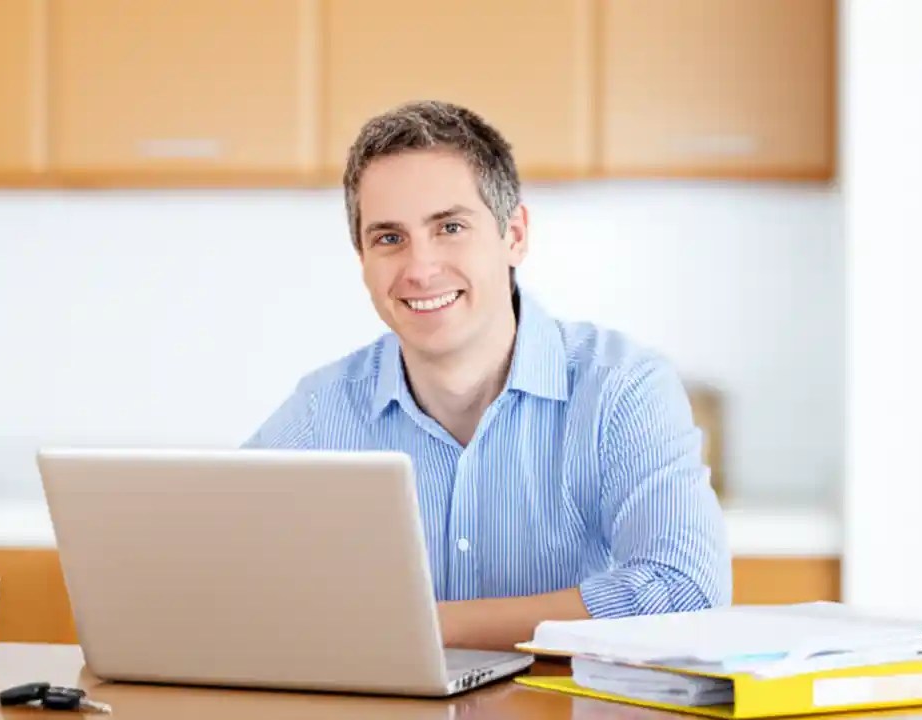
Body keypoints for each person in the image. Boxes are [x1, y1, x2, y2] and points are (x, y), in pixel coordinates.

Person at [244, 100, 731, 651]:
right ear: (362, 258)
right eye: (388, 238)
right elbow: (213, 562)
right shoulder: (321, 410)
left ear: (514, 235)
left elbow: (686, 592)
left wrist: (420, 628)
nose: (420, 269)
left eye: (450, 227)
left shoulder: (620, 386)